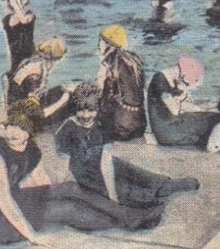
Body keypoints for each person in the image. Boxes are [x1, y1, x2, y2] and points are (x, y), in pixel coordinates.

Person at [0, 102, 164, 247]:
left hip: (11, 202)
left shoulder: (31, 149)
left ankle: (128, 213)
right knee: (68, 209)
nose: (13, 132)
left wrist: (62, 188)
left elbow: (42, 184)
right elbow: (4, 200)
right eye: (10, 125)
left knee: (70, 189)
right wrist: (33, 237)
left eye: (22, 127)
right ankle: (129, 222)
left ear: (32, 131)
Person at [55, 84, 200, 203]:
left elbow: (106, 162)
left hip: (102, 164)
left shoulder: (102, 124)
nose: (86, 116)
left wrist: (111, 193)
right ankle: (156, 194)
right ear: (75, 109)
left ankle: (165, 184)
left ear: (99, 108)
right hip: (86, 176)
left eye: (91, 110)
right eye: (81, 110)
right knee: (124, 190)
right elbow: (64, 163)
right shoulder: (68, 128)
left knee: (130, 170)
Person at [146, 55, 220, 149]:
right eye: (186, 83)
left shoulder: (170, 80)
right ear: (183, 75)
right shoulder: (160, 81)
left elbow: (182, 106)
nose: (185, 85)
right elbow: (174, 112)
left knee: (209, 119)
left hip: (168, 126)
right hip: (167, 130)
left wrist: (201, 109)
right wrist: (180, 99)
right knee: (212, 121)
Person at [2, 37, 71, 129]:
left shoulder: (30, 63)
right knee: (65, 100)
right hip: (23, 118)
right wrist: (63, 100)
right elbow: (38, 114)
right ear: (53, 59)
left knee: (60, 89)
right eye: (58, 60)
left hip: (16, 107)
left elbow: (6, 79)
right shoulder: (35, 75)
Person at [94, 25, 147, 143]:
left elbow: (99, 93)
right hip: (139, 127)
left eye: (100, 41)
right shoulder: (135, 60)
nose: (98, 45)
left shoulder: (108, 62)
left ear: (108, 44)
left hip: (119, 129)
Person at [0, 0, 37, 72]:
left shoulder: (29, 15)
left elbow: (23, 20)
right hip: (16, 62)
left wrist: (16, 2)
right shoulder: (6, 20)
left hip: (30, 60)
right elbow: (7, 44)